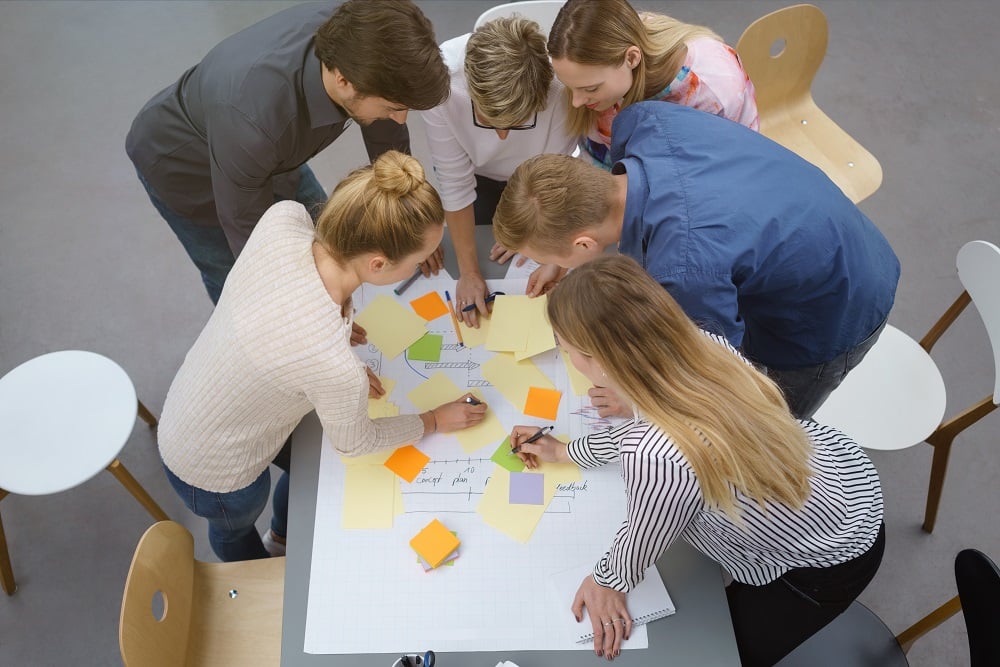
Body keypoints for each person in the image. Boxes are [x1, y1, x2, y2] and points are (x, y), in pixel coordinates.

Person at [511, 255, 884, 666]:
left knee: (726, 654)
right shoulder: (700, 343)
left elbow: (644, 533)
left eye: (566, 350)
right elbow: (651, 428)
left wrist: (606, 582)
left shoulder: (656, 456)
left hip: (828, 558)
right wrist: (567, 451)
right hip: (843, 478)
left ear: (599, 360)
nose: (565, 357)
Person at [157, 152, 488, 562]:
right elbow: (357, 444)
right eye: (419, 262)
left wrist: (338, 327)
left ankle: (281, 535)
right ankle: (257, 567)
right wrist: (434, 419)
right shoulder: (332, 365)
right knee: (233, 529)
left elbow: (279, 301)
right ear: (378, 264)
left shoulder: (284, 219)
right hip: (212, 469)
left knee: (305, 468)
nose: (425, 266)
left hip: (196, 399)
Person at [492, 101, 899, 419]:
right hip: (832, 229)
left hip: (838, 310)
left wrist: (640, 404)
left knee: (771, 420)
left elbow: (719, 379)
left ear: (583, 245)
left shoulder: (684, 273)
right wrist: (560, 256)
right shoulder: (643, 122)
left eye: (536, 256)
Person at [126, 0, 450, 305]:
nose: (401, 118)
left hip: (268, 155)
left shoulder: (364, 38)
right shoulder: (254, 123)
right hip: (185, 169)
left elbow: (386, 117)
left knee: (329, 240)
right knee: (235, 280)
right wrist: (315, 314)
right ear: (344, 81)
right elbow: (254, 247)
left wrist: (412, 224)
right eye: (394, 107)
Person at [421, 16, 577, 327]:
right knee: (478, 243)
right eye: (489, 121)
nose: (502, 136)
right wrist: (469, 273)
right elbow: (454, 183)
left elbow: (553, 174)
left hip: (540, 176)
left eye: (517, 122)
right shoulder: (441, 82)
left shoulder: (560, 85)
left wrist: (522, 227)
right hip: (477, 175)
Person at [547, 0, 758, 169]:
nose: (576, 102)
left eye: (590, 89)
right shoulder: (614, 42)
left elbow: (721, 171)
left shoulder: (712, 92)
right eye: (569, 86)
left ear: (631, 58)